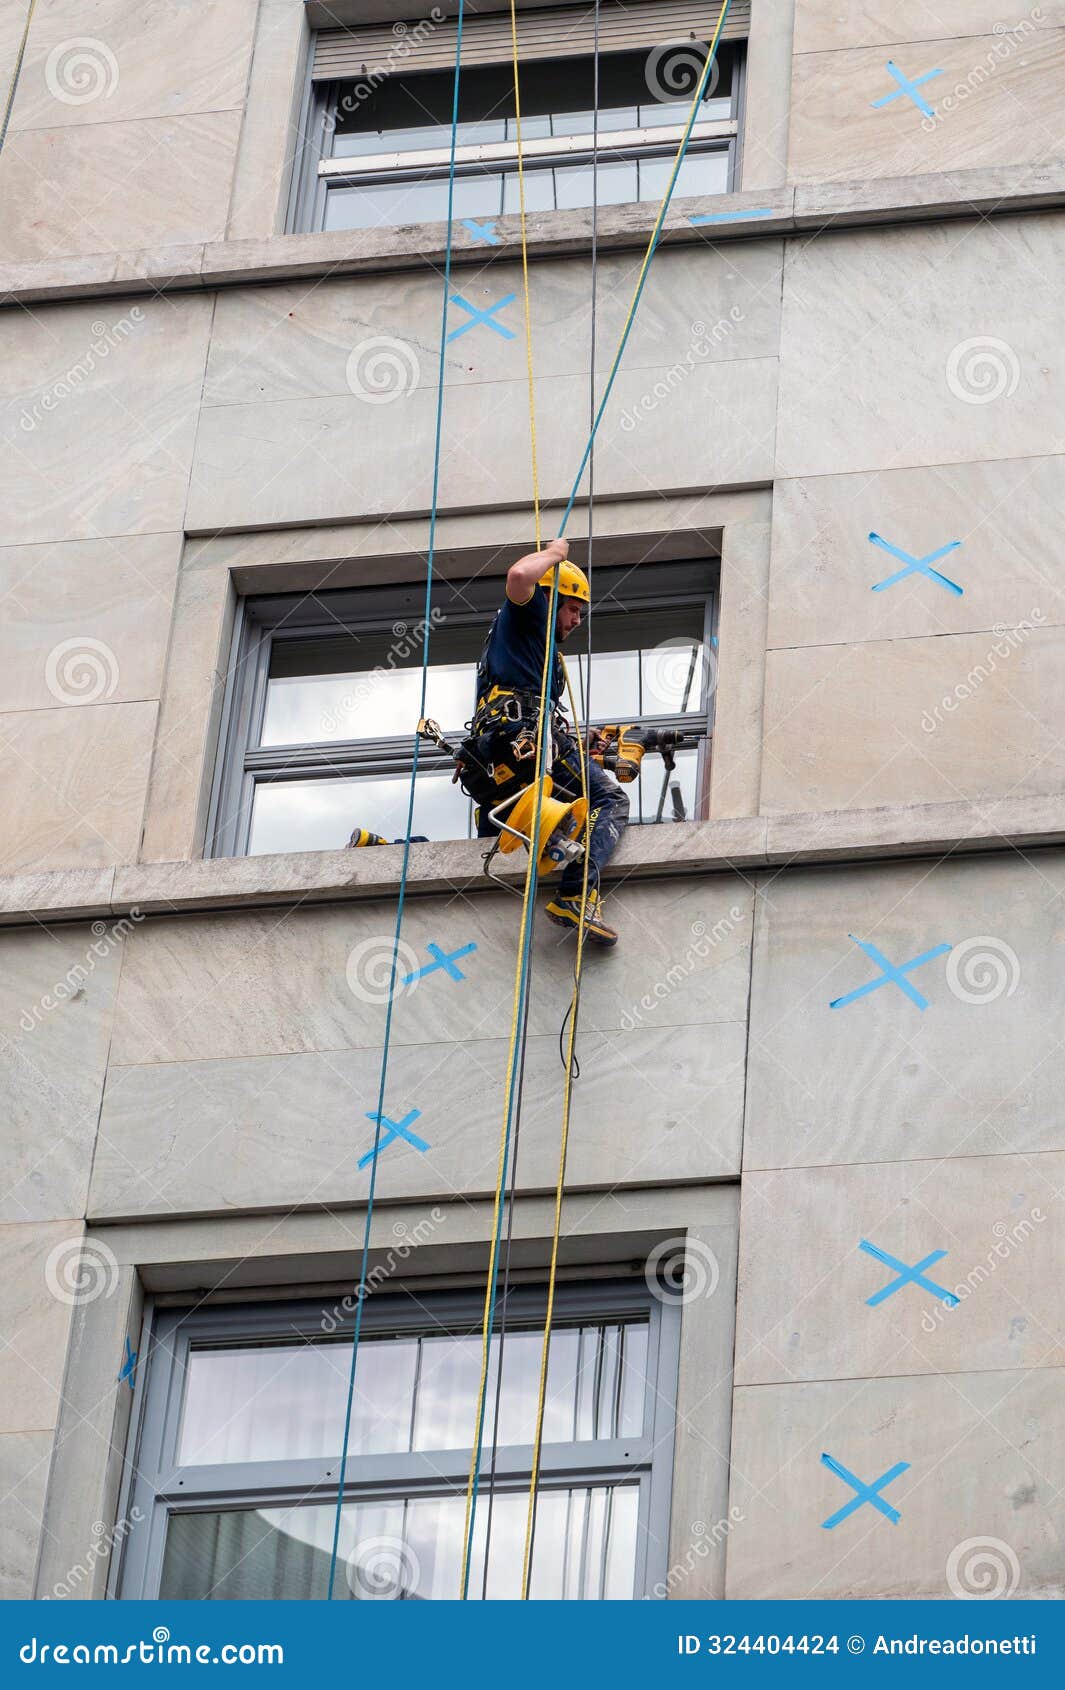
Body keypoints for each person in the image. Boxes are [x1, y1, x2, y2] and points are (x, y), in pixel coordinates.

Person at [468, 537, 628, 947]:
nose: (577, 620)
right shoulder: (530, 614)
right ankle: (576, 894)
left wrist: (580, 741)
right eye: (573, 609)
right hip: (525, 739)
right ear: (551, 598)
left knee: (523, 819)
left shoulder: (525, 647)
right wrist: (558, 554)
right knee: (610, 800)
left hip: (505, 750)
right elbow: (520, 575)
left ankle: (389, 845)